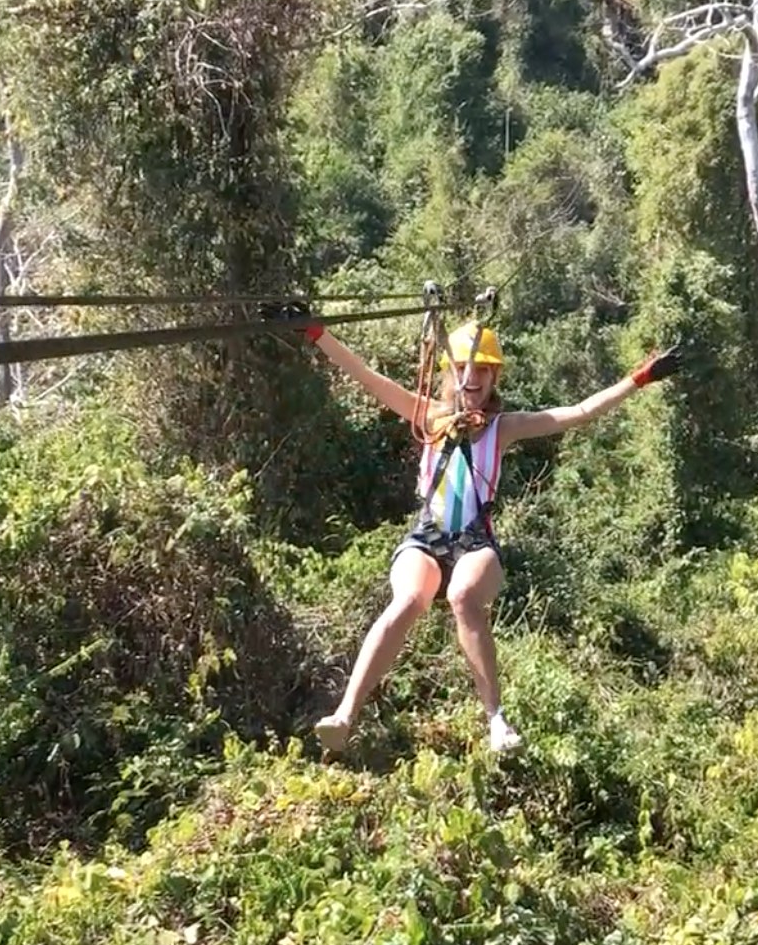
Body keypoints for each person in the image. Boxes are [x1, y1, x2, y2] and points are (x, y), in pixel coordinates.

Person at [264, 298, 681, 753]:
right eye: (464, 368)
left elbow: (579, 412)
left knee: (463, 596)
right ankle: (345, 714)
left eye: (482, 370)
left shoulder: (503, 427)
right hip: (426, 534)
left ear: (494, 377)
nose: (472, 378)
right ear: (450, 373)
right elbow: (366, 376)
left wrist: (640, 378)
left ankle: (497, 721)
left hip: (475, 540)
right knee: (407, 599)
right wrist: (315, 332)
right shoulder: (429, 417)